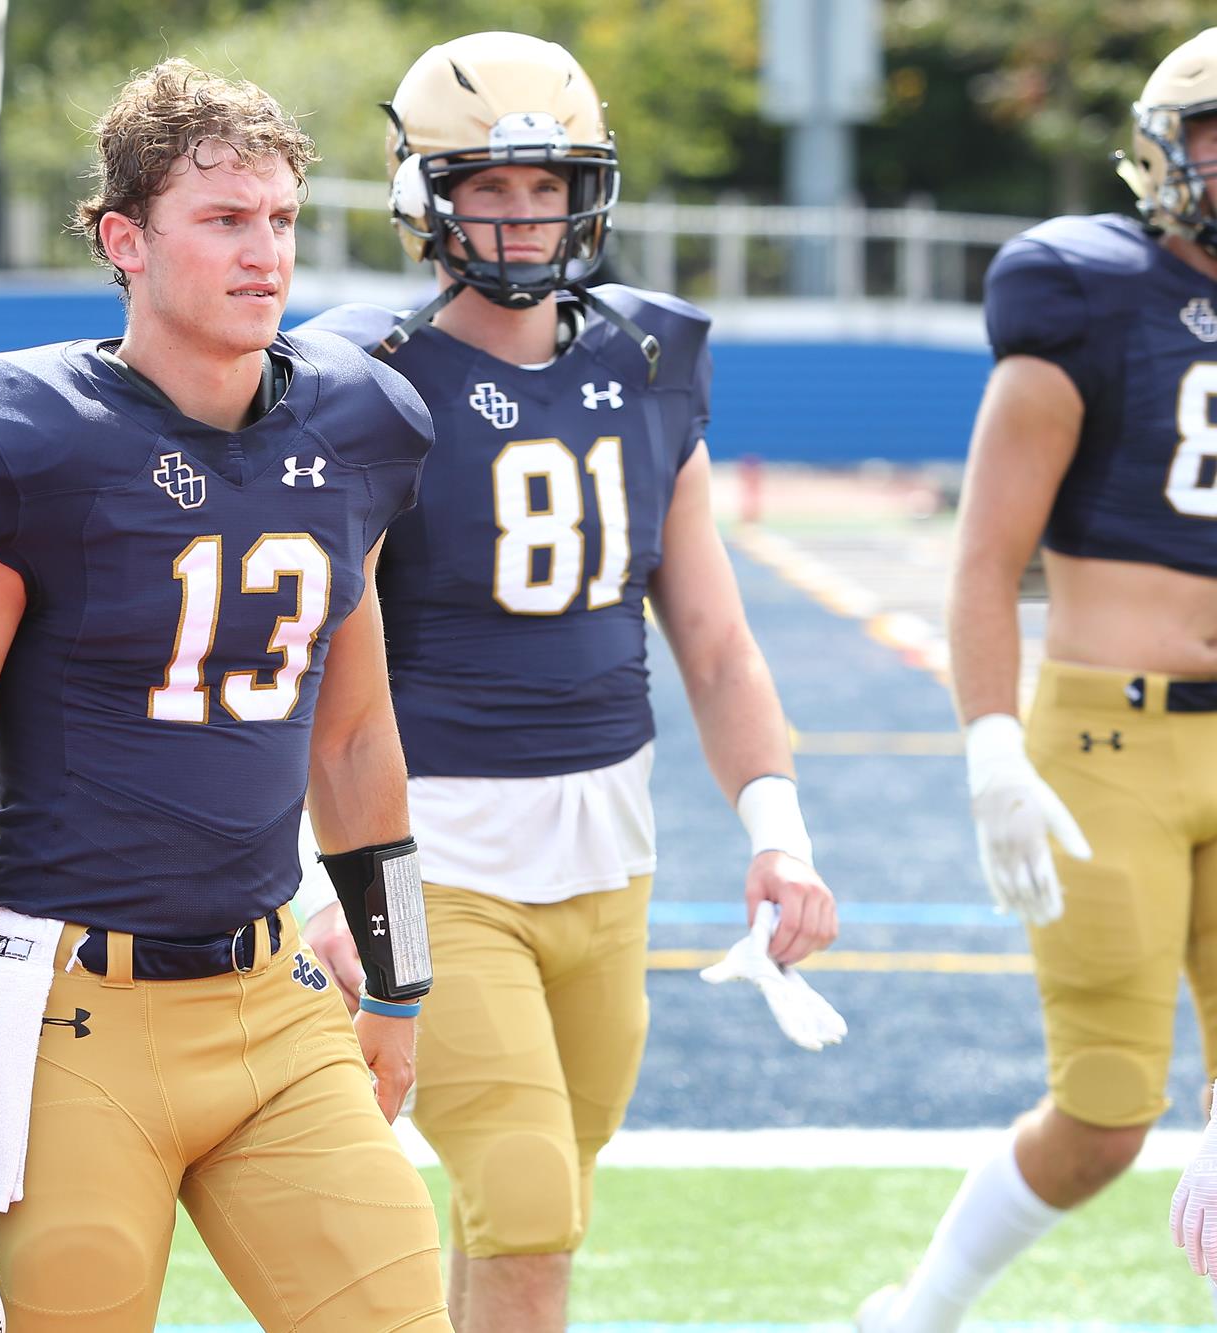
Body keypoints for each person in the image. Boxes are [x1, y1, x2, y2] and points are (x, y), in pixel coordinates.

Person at [0, 57, 449, 1333]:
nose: (264, 253)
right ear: (123, 239)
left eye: (280, 219)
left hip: (274, 1000)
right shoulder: (19, 436)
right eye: (222, 220)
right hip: (67, 1015)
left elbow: (357, 736)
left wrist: (398, 980)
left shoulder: (355, 425)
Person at [295, 33, 842, 1333]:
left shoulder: (650, 362)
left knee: (539, 1211)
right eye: (491, 186)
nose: (526, 217)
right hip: (434, 859)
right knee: (529, 1201)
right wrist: (331, 880)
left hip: (611, 859)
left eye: (549, 187)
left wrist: (779, 831)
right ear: (426, 195)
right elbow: (316, 664)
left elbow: (712, 639)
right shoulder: (367, 379)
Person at [861, 27, 1217, 1329]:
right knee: (1109, 1110)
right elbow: (984, 557)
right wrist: (991, 740)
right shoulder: (1087, 296)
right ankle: (925, 1307)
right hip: (1106, 751)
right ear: (1163, 152)